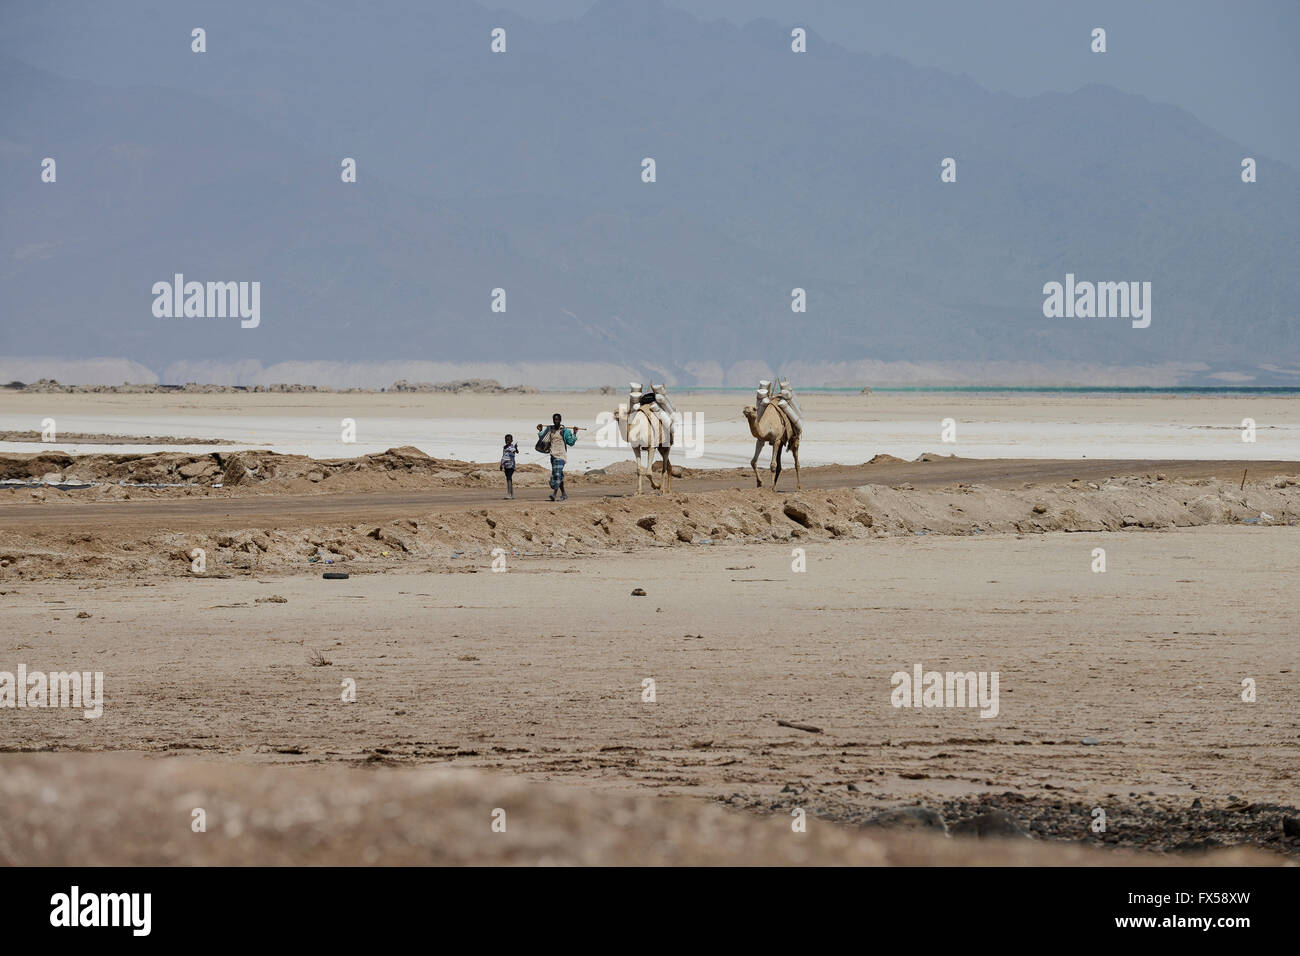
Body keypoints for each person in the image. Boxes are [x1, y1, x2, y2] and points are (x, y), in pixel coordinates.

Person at [537, 413, 578, 501]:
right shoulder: (550, 430)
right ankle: (564, 494)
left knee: (557, 474)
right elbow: (544, 439)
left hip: (561, 456)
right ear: (553, 420)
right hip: (553, 455)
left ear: (560, 420)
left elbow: (571, 442)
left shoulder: (565, 431)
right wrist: (541, 431)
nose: (556, 421)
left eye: (557, 420)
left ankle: (554, 494)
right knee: (558, 475)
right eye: (555, 420)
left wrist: (574, 434)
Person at [499, 434, 518, 499]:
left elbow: (516, 451)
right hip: (505, 465)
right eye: (506, 440)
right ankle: (511, 494)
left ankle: (509, 494)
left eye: (508, 440)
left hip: (511, 465)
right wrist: (501, 464)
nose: (507, 441)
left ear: (511, 440)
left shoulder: (512, 447)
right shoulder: (504, 447)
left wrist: (516, 448)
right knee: (508, 479)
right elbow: (503, 456)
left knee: (509, 478)